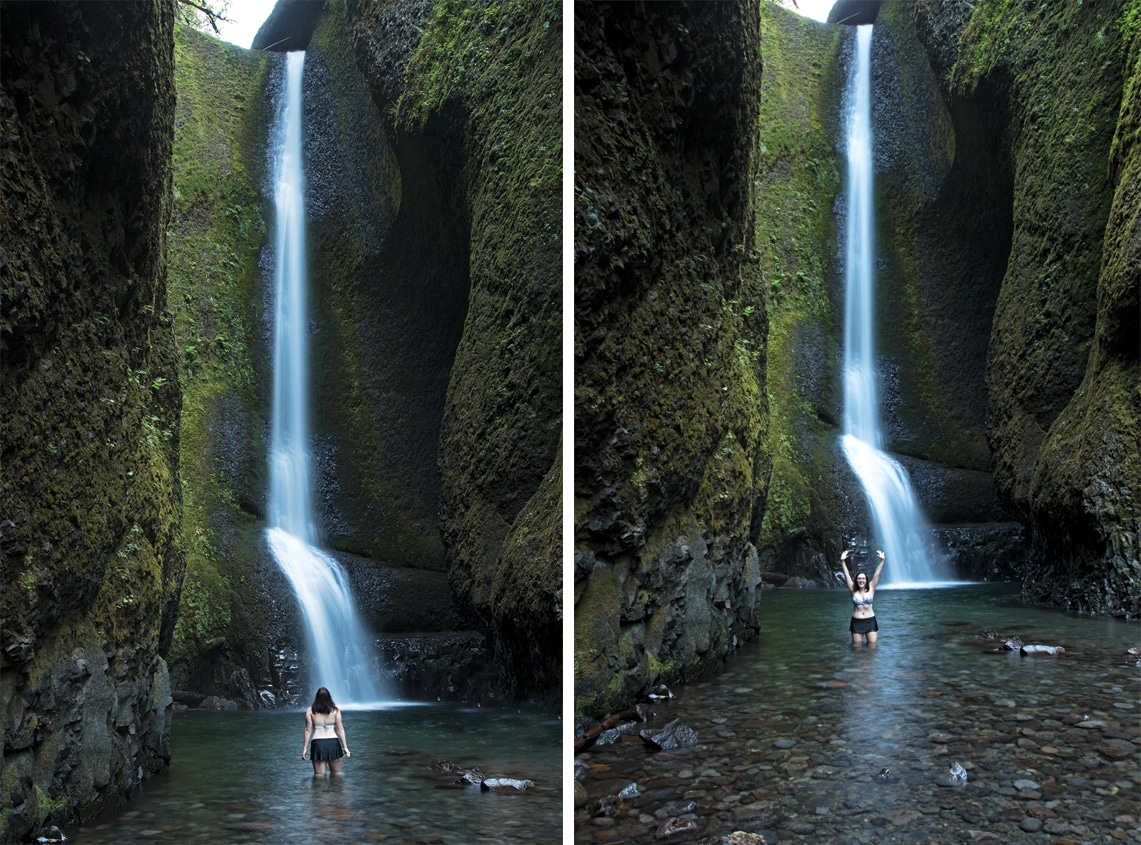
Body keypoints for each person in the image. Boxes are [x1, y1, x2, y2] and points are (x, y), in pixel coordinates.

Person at [301, 687, 351, 776]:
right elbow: (340, 729)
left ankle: (319, 790)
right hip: (333, 743)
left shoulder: (310, 710)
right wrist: (345, 748)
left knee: (319, 776)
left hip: (318, 743)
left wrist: (305, 748)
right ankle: (336, 789)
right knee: (337, 774)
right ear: (329, 698)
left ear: (316, 698)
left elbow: (308, 730)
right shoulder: (335, 710)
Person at [840, 548, 884, 646]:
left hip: (870, 621)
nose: (861, 580)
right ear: (856, 580)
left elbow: (877, 574)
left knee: (872, 647)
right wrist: (842, 561)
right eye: (859, 578)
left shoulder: (872, 587)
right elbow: (846, 574)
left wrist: (882, 560)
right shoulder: (853, 589)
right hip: (857, 622)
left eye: (863, 578)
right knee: (857, 648)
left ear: (866, 580)